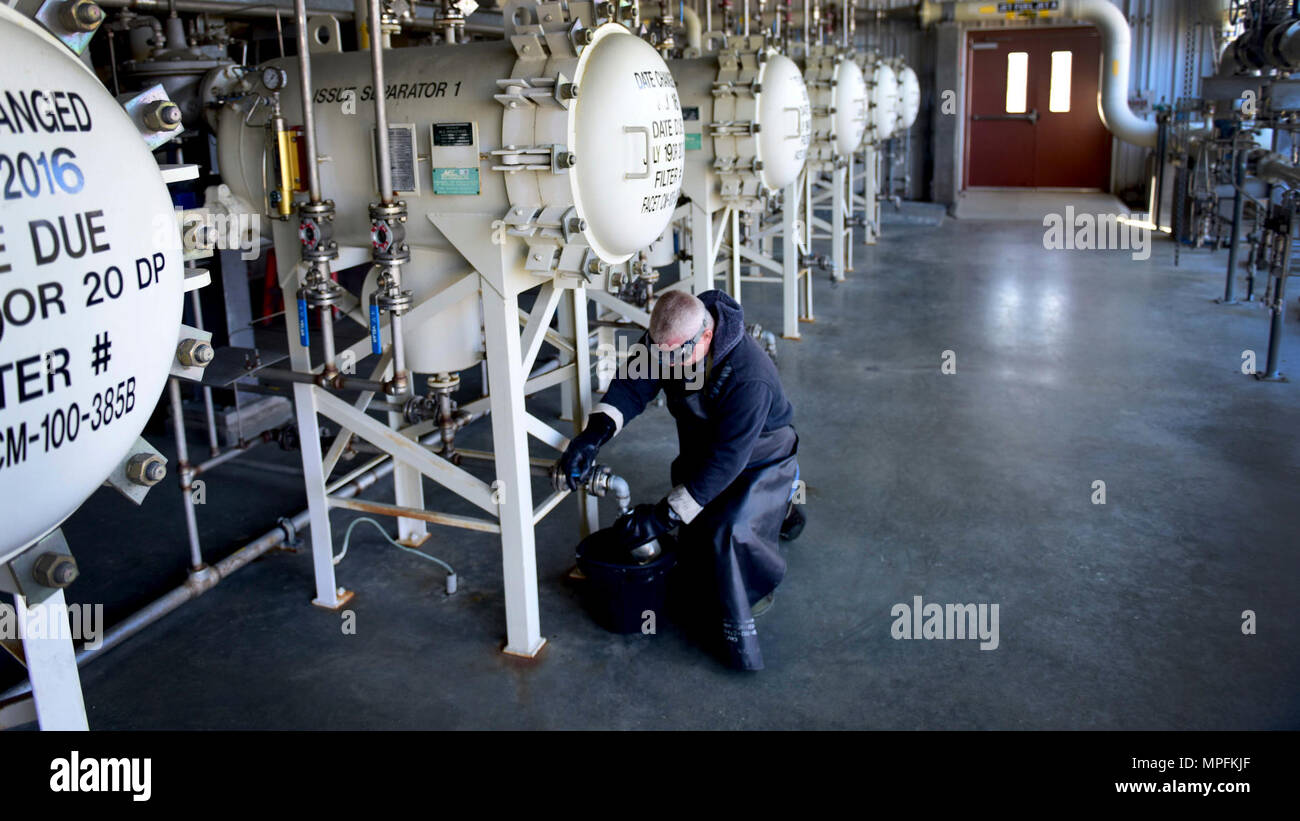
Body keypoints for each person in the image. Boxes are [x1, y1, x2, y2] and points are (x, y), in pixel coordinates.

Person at [556, 289, 802, 670]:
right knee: (696, 535)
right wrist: (593, 435)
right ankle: (774, 514)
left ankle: (767, 550)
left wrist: (661, 517)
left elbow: (725, 463)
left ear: (706, 335)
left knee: (730, 533)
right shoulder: (667, 339)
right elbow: (631, 386)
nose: (667, 365)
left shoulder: (750, 377)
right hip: (705, 448)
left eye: (676, 357)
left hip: (759, 456)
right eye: (661, 355)